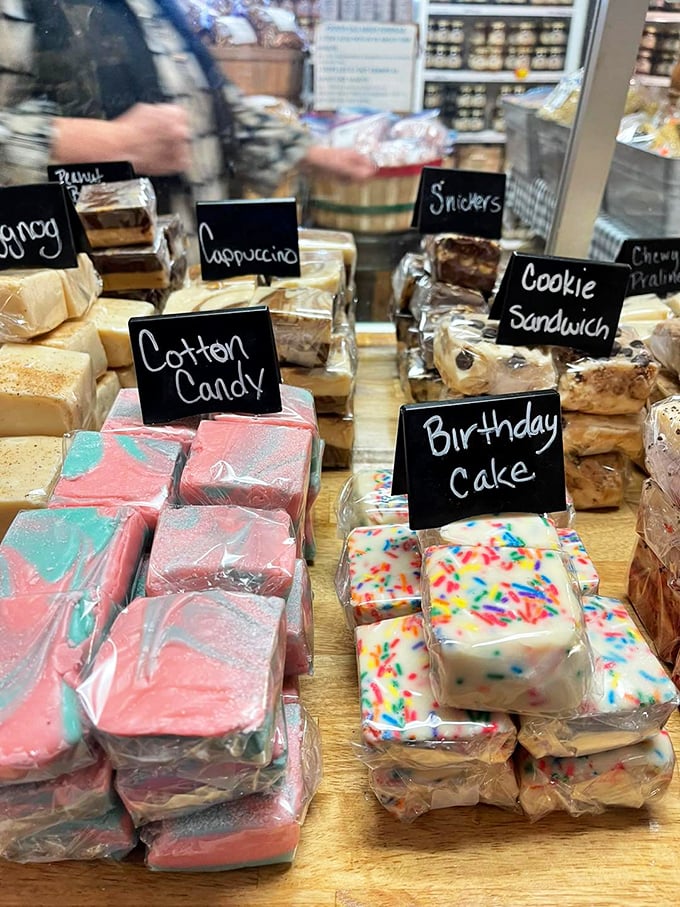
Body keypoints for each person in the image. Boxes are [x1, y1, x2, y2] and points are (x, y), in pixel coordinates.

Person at [0, 0, 375, 227]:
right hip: (66, 311)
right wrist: (111, 143)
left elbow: (211, 104)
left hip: (175, 281)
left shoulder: (151, 6)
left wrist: (307, 153)